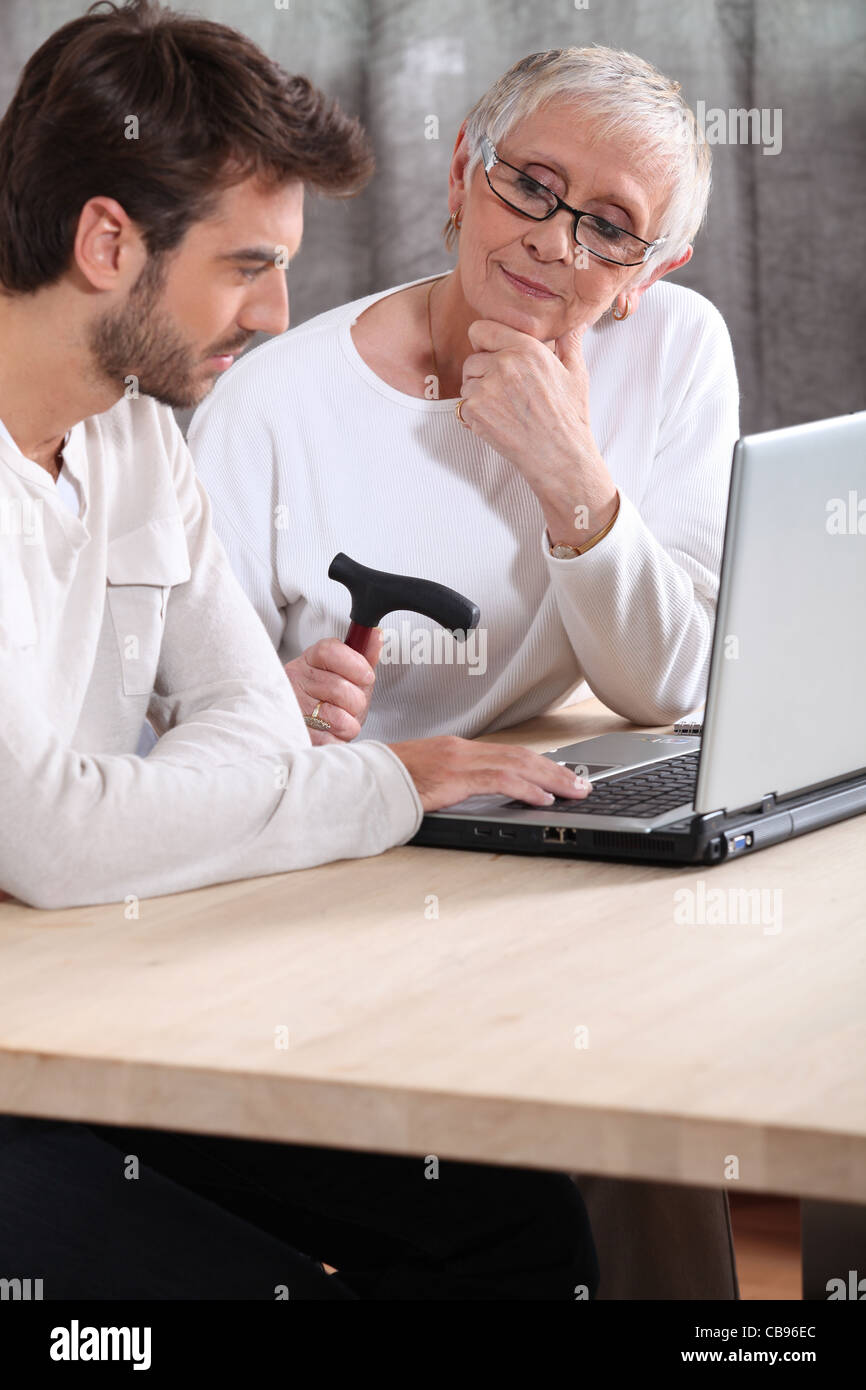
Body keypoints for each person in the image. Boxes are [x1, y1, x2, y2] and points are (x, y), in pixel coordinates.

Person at [0, 0, 596, 1300]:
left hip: (81, 1007)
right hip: (16, 1064)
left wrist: (144, 810)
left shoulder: (135, 431)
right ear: (107, 239)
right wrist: (392, 780)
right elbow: (46, 836)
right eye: (245, 264)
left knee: (504, 1219)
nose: (279, 312)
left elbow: (247, 728)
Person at [190, 45, 739, 747]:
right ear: (461, 174)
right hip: (348, 812)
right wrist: (270, 713)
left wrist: (568, 468)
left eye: (608, 227)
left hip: (536, 793)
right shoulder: (266, 405)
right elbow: (186, 713)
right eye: (533, 186)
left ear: (651, 272)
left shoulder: (676, 347)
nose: (551, 241)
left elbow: (670, 687)